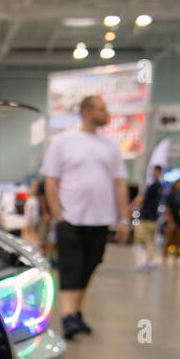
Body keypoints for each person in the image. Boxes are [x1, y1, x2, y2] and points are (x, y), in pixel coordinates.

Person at [42, 95, 130, 338]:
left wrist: (124, 219)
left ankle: (76, 313)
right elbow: (51, 180)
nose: (107, 113)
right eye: (102, 109)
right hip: (70, 218)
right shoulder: (63, 142)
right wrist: (58, 213)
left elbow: (120, 184)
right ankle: (68, 316)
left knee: (89, 267)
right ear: (87, 111)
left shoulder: (111, 147)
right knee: (70, 267)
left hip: (100, 219)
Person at [133, 165, 163, 271]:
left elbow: (142, 198)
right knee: (149, 241)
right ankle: (150, 261)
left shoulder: (153, 186)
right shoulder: (160, 186)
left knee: (140, 239)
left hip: (146, 218)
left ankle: (146, 261)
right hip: (152, 218)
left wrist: (132, 206)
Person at [162, 177, 180, 269]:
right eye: (179, 183)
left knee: (178, 241)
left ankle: (176, 259)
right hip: (172, 221)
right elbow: (167, 208)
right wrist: (170, 221)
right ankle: (164, 258)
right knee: (168, 241)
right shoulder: (171, 195)